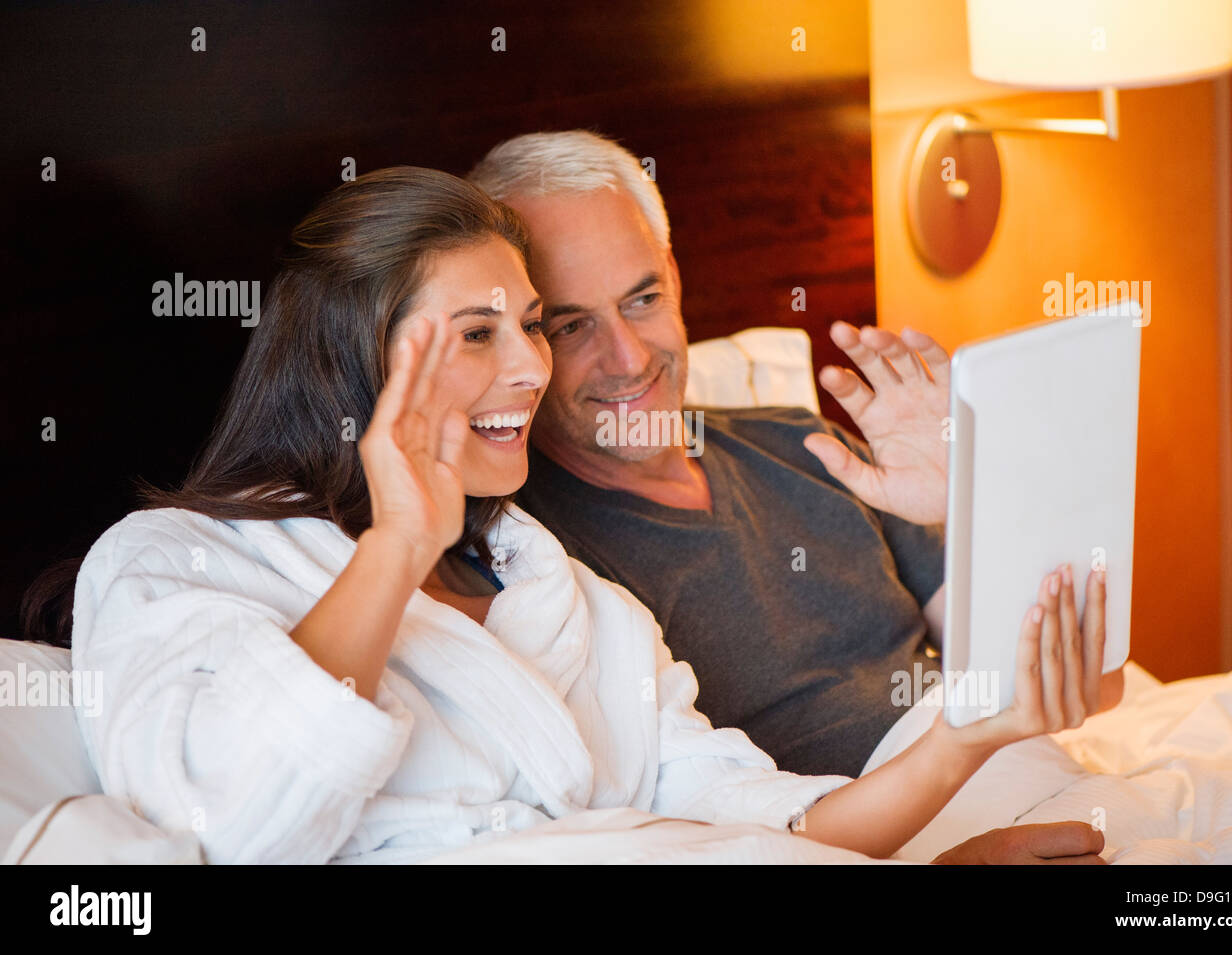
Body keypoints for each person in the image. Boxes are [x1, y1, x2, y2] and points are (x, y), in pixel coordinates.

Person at [26, 166, 1111, 865]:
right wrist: (398, 546)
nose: (531, 371)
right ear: (355, 365)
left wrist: (968, 738)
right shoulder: (172, 563)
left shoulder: (561, 594)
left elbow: (765, 817)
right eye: (478, 335)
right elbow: (227, 820)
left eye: (529, 327)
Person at [467, 131, 1124, 858]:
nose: (626, 358)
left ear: (675, 278)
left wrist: (976, 511)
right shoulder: (541, 566)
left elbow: (1093, 686)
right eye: (569, 324)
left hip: (1034, 781)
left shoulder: (796, 440)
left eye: (642, 298)